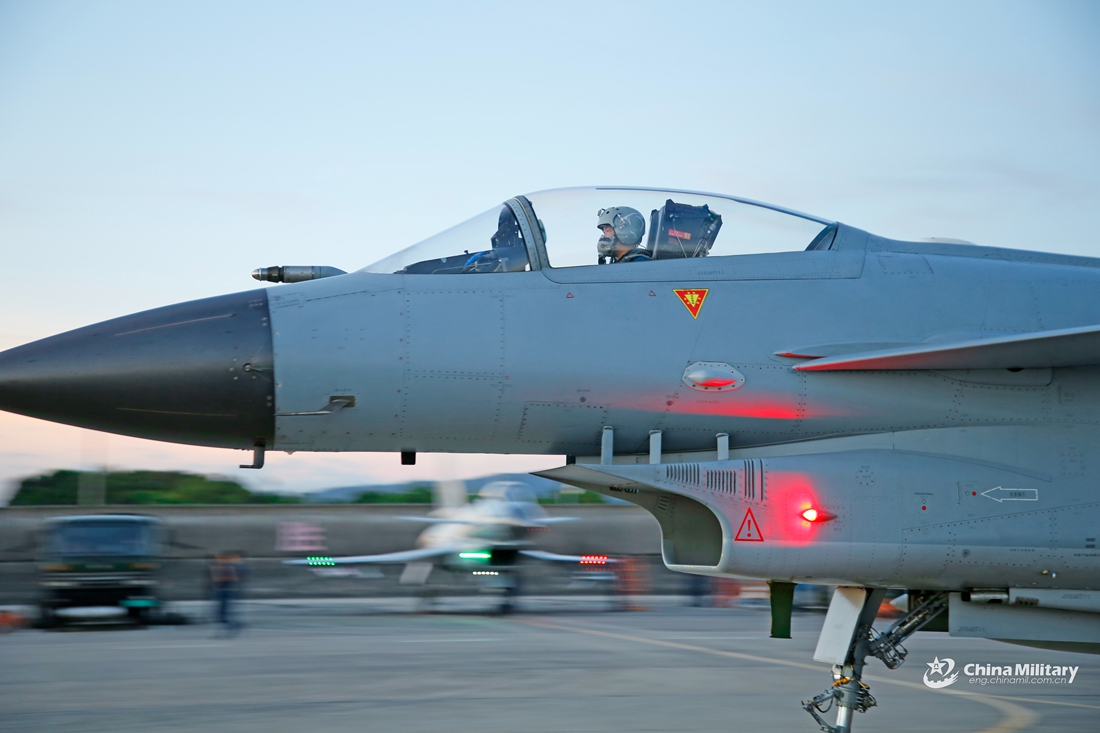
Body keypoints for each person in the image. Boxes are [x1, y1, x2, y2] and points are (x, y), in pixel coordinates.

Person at [209, 551, 246, 635]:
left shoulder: (229, 568)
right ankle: (233, 626)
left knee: (224, 613)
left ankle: (235, 626)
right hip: (222, 591)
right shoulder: (221, 567)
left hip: (226, 591)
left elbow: (231, 579)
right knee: (221, 613)